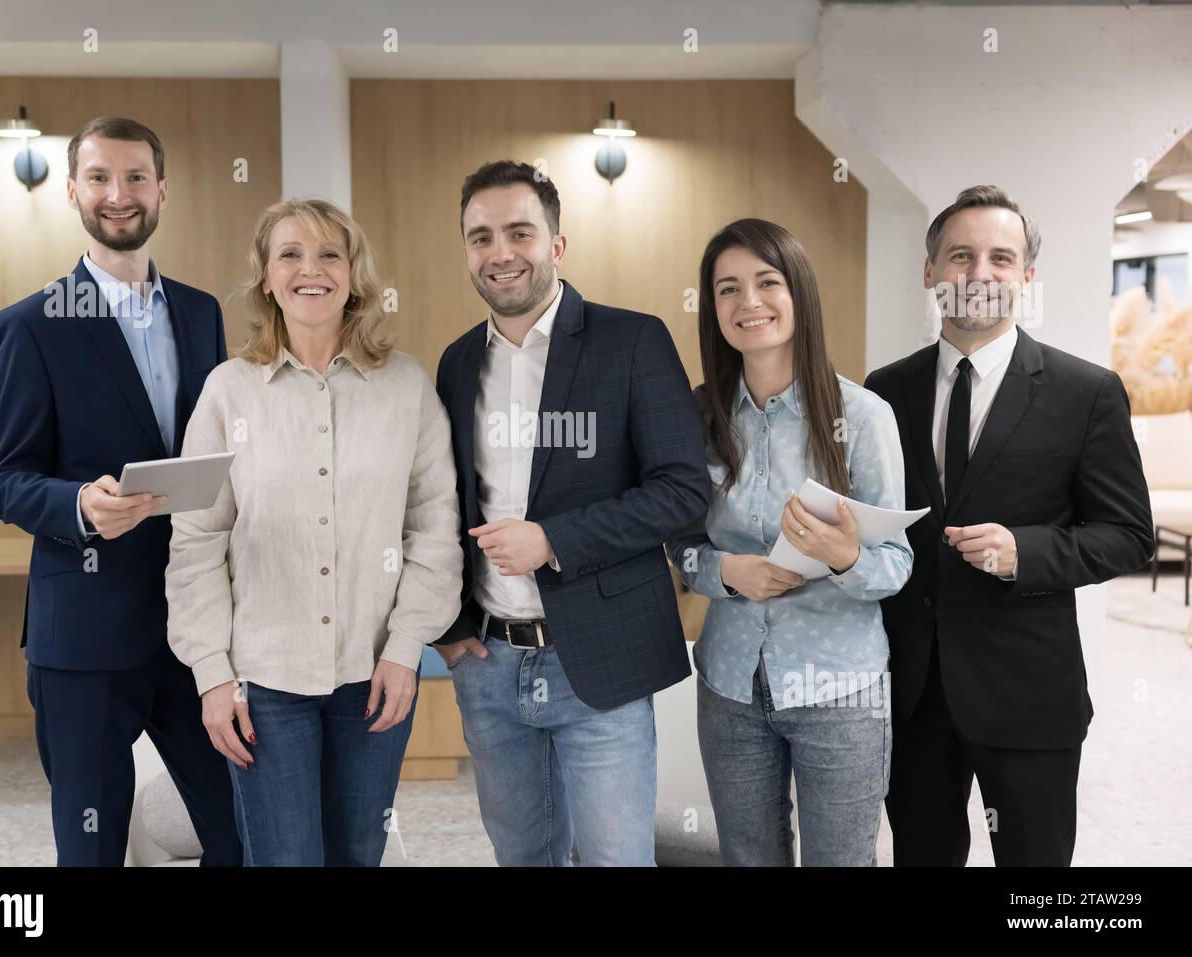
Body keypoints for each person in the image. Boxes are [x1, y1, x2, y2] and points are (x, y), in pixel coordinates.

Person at [166, 198, 462, 866]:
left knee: (359, 852)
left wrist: (408, 644)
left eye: (331, 253)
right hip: (263, 684)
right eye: (290, 254)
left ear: (356, 274)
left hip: (375, 675)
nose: (312, 269)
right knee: (283, 856)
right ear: (266, 278)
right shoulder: (225, 392)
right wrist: (212, 674)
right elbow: (196, 541)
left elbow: (434, 525)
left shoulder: (406, 386)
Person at [864, 185, 1154, 866]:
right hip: (911, 693)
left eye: (1001, 257)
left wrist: (1024, 550)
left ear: (1026, 277)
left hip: (1029, 693)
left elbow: (1129, 533)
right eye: (960, 255)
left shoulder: (1086, 392)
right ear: (930, 270)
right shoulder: (884, 388)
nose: (978, 273)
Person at [431, 160, 710, 866]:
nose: (500, 253)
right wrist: (452, 625)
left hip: (601, 660)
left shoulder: (633, 341)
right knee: (523, 858)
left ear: (557, 244)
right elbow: (444, 504)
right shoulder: (458, 363)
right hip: (490, 665)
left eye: (519, 232)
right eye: (481, 237)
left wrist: (553, 538)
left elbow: (683, 490)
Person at [0, 116, 240, 866]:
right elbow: (4, 481)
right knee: (92, 851)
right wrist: (79, 507)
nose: (118, 195)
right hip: (85, 637)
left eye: (134, 178)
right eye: (99, 178)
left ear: (163, 190)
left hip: (196, 633)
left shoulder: (201, 313)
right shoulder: (31, 326)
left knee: (244, 833)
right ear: (72, 192)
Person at [668, 218, 912, 866]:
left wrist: (844, 557)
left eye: (766, 281)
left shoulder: (862, 417)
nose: (748, 302)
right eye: (728, 289)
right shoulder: (695, 416)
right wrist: (725, 571)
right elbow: (682, 546)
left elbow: (897, 563)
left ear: (798, 292)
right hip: (731, 685)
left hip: (841, 692)